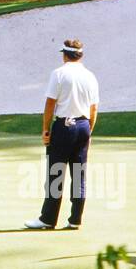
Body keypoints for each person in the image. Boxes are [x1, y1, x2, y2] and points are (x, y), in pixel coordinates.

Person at [26, 39, 99, 230]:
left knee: (56, 173)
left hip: (63, 126)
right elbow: (94, 108)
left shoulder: (58, 74)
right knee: (79, 173)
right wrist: (88, 130)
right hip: (83, 125)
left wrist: (46, 129)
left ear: (65, 54)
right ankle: (75, 219)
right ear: (80, 55)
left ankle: (48, 219)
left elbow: (50, 104)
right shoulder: (90, 76)